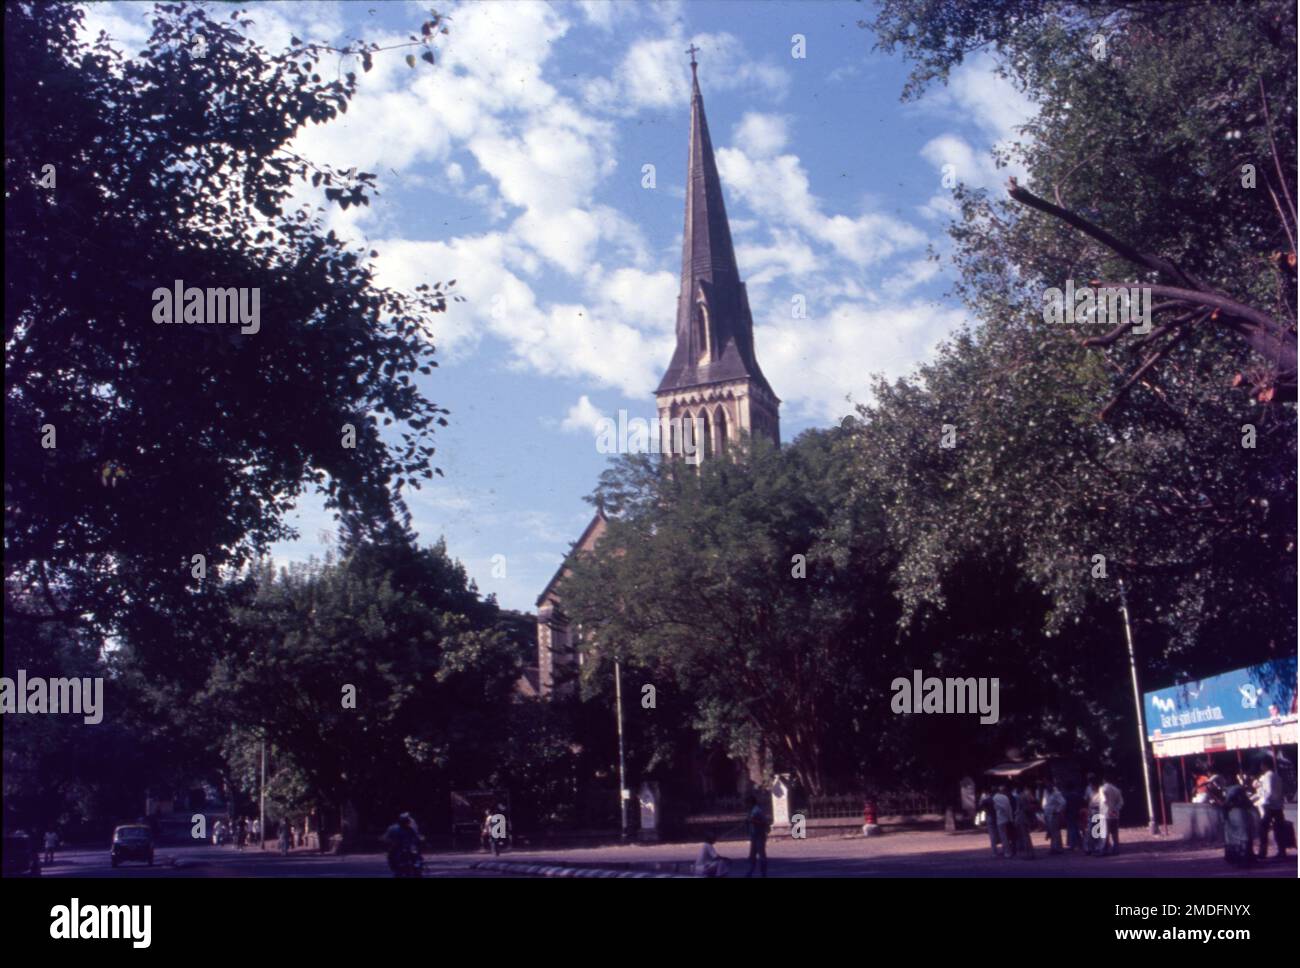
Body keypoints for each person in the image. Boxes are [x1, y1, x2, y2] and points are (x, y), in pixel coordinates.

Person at [1253, 755, 1289, 861]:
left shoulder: (1268, 776)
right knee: (1279, 830)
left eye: (1261, 765)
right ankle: (1282, 852)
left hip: (1270, 806)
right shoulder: (1276, 776)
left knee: (1263, 830)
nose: (1260, 767)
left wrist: (1260, 792)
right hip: (1278, 806)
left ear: (1265, 765)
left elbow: (1268, 793)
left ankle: (1262, 853)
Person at [383, 812, 422, 877]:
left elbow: (416, 837)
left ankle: (417, 869)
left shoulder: (410, 829)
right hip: (397, 849)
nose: (407, 822)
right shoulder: (393, 828)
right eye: (405, 821)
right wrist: (391, 842)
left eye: (407, 821)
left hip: (408, 849)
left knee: (417, 858)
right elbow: (386, 838)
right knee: (393, 859)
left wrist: (420, 841)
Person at [744, 793, 769, 878]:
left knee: (762, 855)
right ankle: (750, 872)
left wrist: (753, 821)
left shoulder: (757, 810)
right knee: (752, 856)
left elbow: (765, 822)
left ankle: (763, 874)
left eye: (747, 803)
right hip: (753, 836)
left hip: (760, 836)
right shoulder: (751, 810)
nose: (746, 805)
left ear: (751, 802)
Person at [1099, 774, 1123, 855]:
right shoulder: (1117, 790)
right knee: (1114, 833)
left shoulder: (1102, 789)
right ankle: (1115, 849)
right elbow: (1120, 803)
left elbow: (1104, 800)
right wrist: (1114, 809)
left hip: (1105, 813)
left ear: (1104, 780)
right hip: (1115, 813)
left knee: (1105, 832)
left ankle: (1104, 850)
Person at [1042, 781, 1066, 854]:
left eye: (1049, 786)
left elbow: (1063, 802)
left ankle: (1056, 848)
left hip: (1054, 815)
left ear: (1052, 786)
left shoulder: (1056, 793)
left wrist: (1057, 810)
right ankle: (1055, 848)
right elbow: (1044, 803)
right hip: (1047, 814)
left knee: (1055, 832)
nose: (1048, 787)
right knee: (1051, 832)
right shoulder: (1045, 792)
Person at [1014, 784, 1036, 860]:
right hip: (1025, 817)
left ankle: (1029, 854)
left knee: (1025, 836)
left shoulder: (1020, 797)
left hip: (1022, 817)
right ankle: (1030, 853)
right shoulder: (1026, 796)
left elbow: (1022, 808)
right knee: (1027, 836)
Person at [979, 788, 1003, 857]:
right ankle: (1004, 849)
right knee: (1000, 834)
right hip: (997, 817)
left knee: (992, 836)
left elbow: (980, 805)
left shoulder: (987, 800)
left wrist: (982, 799)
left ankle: (994, 852)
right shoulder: (997, 799)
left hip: (990, 816)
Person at [992, 785, 1014, 858]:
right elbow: (1009, 808)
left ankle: (1007, 852)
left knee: (1003, 837)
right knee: (1007, 836)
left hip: (1000, 819)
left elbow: (994, 808)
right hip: (1007, 818)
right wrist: (1011, 818)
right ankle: (1008, 851)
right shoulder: (1005, 797)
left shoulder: (994, 798)